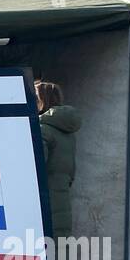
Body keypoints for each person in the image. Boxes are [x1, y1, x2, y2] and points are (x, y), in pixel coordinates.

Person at [35, 80, 82, 243]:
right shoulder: (66, 132)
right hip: (61, 199)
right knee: (58, 251)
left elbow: (35, 169)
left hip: (43, 202)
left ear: (41, 101)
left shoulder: (42, 130)